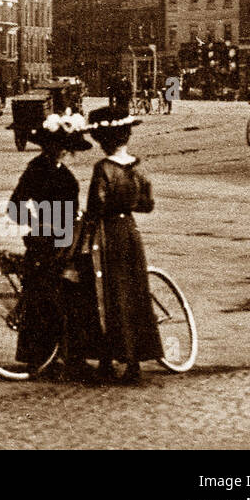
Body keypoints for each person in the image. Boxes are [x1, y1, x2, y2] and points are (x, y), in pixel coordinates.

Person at [77, 108, 164, 384]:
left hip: (108, 234)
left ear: (102, 140)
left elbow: (95, 206)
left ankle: (106, 359)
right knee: (135, 292)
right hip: (130, 233)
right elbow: (147, 204)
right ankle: (134, 362)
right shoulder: (136, 167)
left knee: (107, 295)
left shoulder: (103, 169)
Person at [7, 112, 94, 381]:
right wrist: (39, 223)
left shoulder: (65, 175)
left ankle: (69, 356)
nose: (61, 151)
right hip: (45, 242)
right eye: (56, 146)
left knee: (75, 292)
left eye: (64, 147)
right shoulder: (36, 169)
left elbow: (73, 212)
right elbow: (15, 206)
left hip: (65, 240)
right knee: (46, 297)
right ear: (47, 145)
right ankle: (42, 357)